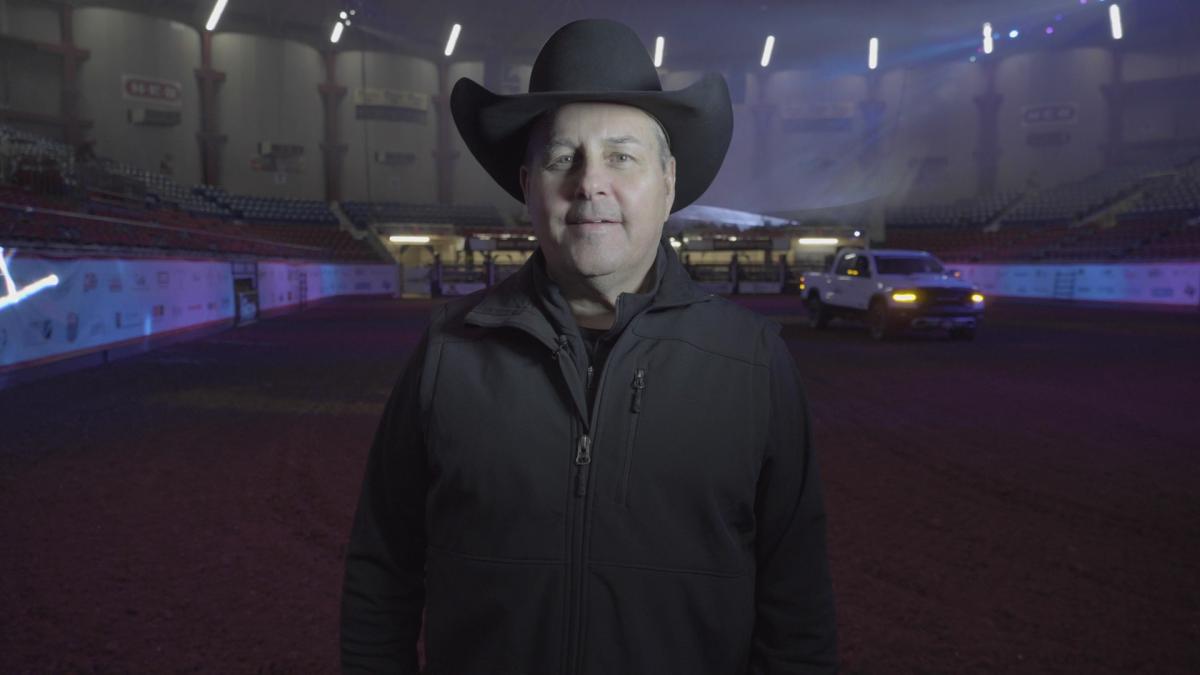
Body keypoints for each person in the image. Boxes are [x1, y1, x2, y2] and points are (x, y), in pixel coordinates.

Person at [340, 18, 837, 674]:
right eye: (561, 158)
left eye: (621, 157)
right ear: (527, 185)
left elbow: (798, 613)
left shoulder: (752, 364)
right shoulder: (447, 354)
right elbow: (382, 575)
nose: (589, 183)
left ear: (668, 182)